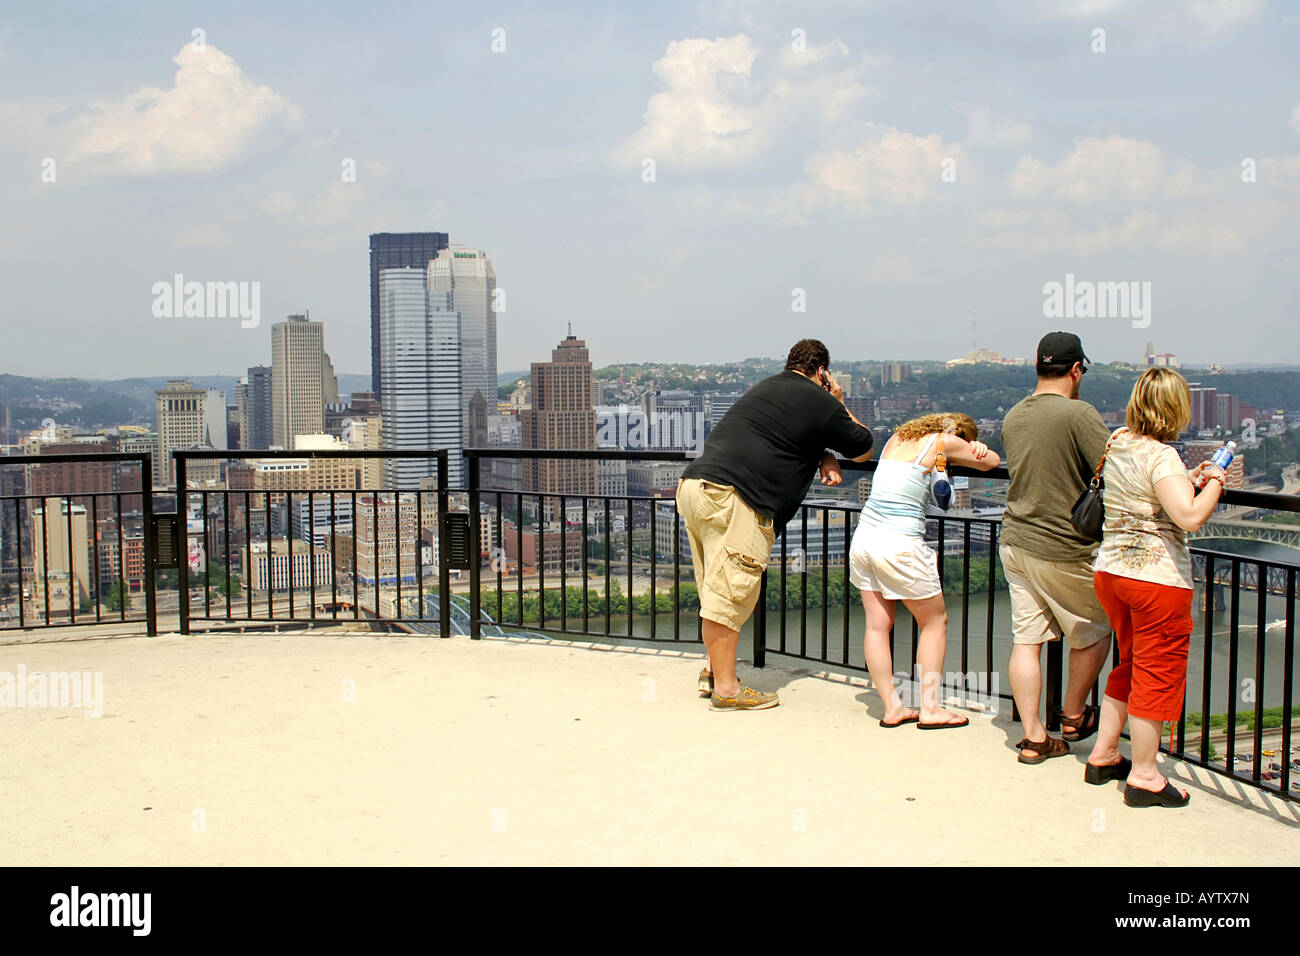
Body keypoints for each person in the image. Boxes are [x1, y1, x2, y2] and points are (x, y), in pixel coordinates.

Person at [678, 339, 874, 711]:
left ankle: (712, 672)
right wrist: (839, 401)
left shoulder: (767, 387)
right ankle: (726, 689)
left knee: (713, 590)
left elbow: (779, 436)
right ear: (822, 372)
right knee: (729, 595)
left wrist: (822, 454)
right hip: (738, 498)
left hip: (695, 487)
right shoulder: (821, 399)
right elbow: (864, 446)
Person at [1084, 368, 1224, 807]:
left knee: (1130, 666)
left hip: (1112, 572)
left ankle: (1104, 754)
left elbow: (1153, 489)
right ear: (1175, 409)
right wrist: (1216, 481)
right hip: (1156, 579)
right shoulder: (1162, 457)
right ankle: (1144, 774)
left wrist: (1186, 475)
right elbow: (1187, 516)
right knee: (1157, 673)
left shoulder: (1118, 440)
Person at [1000, 332, 1115, 764]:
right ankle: (1072, 716)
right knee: (1096, 627)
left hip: (1015, 541)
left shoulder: (1014, 416)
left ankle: (1033, 738)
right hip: (1063, 545)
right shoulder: (1078, 413)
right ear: (1076, 370)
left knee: (1027, 640)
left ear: (1037, 367)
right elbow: (1113, 468)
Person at [848, 413, 1001, 728]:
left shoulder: (896, 439)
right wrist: (977, 447)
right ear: (957, 433)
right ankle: (930, 708)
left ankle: (892, 707)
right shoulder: (942, 441)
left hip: (864, 540)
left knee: (877, 626)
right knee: (934, 622)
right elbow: (992, 462)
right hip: (900, 544)